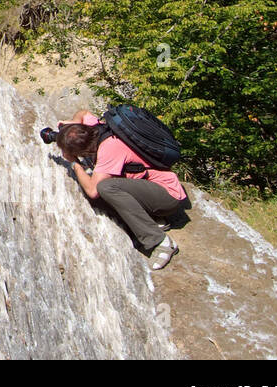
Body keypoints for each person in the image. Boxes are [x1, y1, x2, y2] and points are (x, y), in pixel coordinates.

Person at [55, 110, 186, 270]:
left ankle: (159, 241)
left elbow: (92, 190)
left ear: (84, 151)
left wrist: (74, 163)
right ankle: (151, 219)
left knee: (105, 187)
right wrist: (71, 124)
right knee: (105, 189)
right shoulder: (94, 129)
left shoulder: (109, 148)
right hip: (149, 191)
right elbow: (82, 113)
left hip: (167, 196)